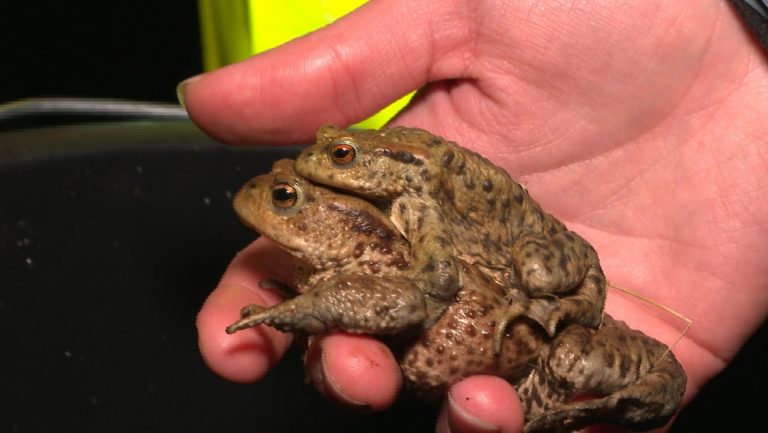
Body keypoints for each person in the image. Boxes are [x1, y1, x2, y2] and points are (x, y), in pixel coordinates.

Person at [178, 1, 768, 432]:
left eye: (290, 195)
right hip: (501, 302)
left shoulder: (416, 208)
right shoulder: (389, 222)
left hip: (532, 338)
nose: (312, 170)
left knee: (569, 361)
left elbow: (429, 288)